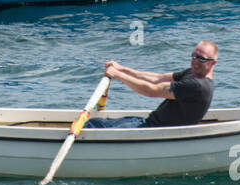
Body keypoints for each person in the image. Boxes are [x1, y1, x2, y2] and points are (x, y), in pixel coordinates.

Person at [85, 41, 217, 129]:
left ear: (213, 63)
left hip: (153, 129)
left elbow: (151, 91)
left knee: (92, 125)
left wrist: (117, 75)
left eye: (201, 59)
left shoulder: (197, 86)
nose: (195, 61)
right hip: (150, 123)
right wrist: (121, 69)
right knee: (95, 123)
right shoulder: (191, 73)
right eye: (194, 56)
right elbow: (157, 78)